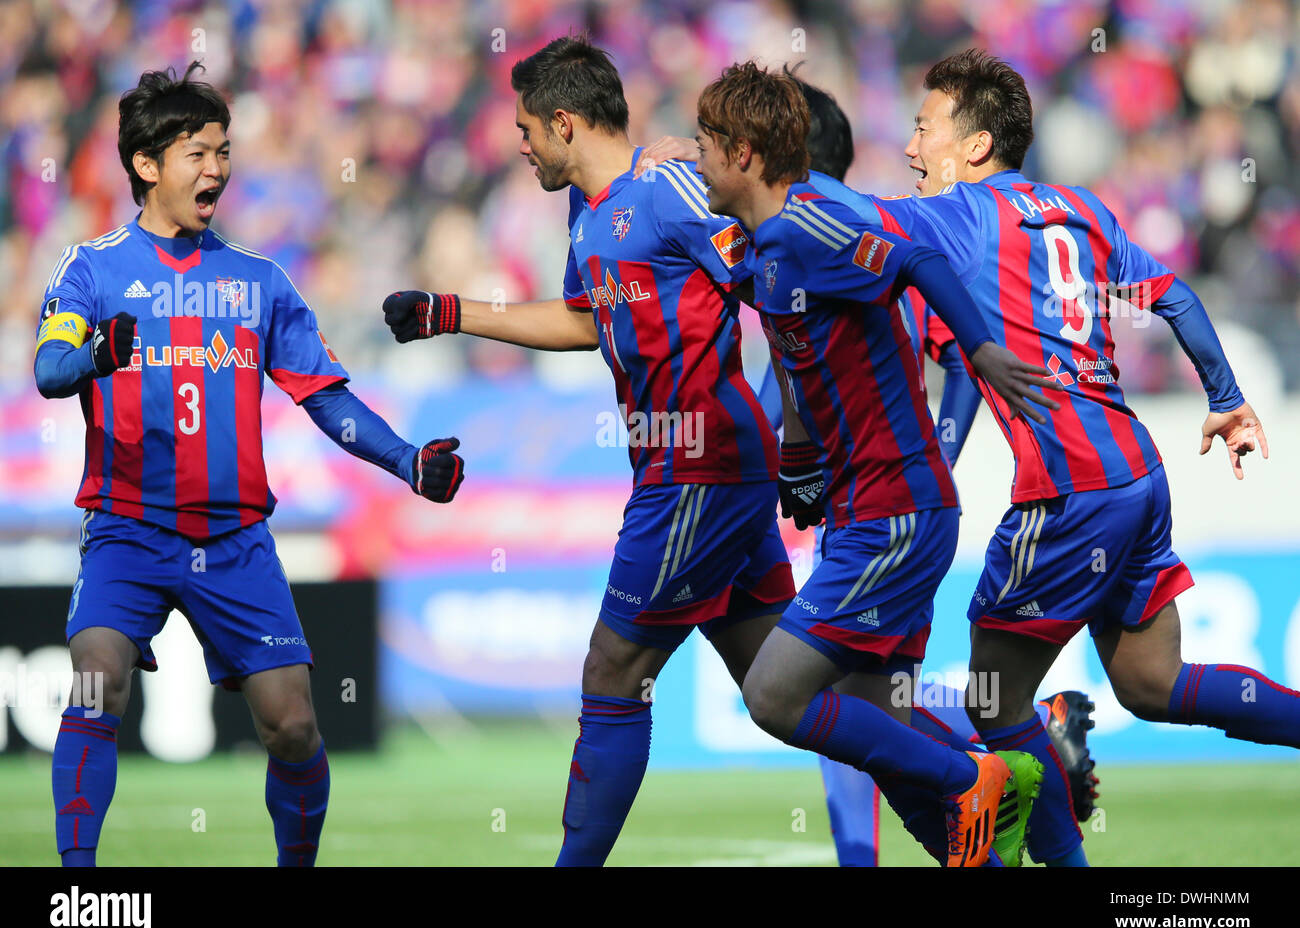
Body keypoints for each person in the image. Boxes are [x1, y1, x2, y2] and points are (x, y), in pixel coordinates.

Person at [640, 71, 1097, 867]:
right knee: (879, 732)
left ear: (745, 154)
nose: (700, 160)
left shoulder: (810, 226)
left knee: (775, 695)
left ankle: (976, 772)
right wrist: (799, 464)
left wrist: (983, 349)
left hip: (895, 514)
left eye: (708, 146)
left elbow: (916, 257)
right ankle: (988, 804)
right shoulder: (765, 248)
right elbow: (796, 366)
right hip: (870, 510)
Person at [379, 35, 797, 867]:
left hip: (699, 466)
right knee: (784, 691)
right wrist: (450, 313)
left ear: (564, 123)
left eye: (527, 128)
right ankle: (965, 776)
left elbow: (782, 281)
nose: (520, 144)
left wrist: (808, 434)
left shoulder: (672, 188)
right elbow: (586, 319)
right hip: (691, 468)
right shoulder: (589, 210)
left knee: (612, 671)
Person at [35, 61, 465, 867]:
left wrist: (409, 463)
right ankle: (77, 889)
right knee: (96, 681)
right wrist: (96, 354)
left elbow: (325, 398)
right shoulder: (91, 268)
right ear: (146, 164)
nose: (217, 169)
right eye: (198, 153)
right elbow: (49, 371)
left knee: (293, 724)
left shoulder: (258, 281)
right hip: (127, 529)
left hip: (234, 540)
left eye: (223, 152)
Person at [879, 48, 1295, 863]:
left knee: (993, 703)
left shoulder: (959, 216)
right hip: (1136, 471)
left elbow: (836, 217)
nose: (909, 147)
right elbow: (1174, 295)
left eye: (923, 129)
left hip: (1068, 485)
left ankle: (1063, 850)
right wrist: (1224, 398)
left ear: (974, 145)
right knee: (1154, 684)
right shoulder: (1080, 209)